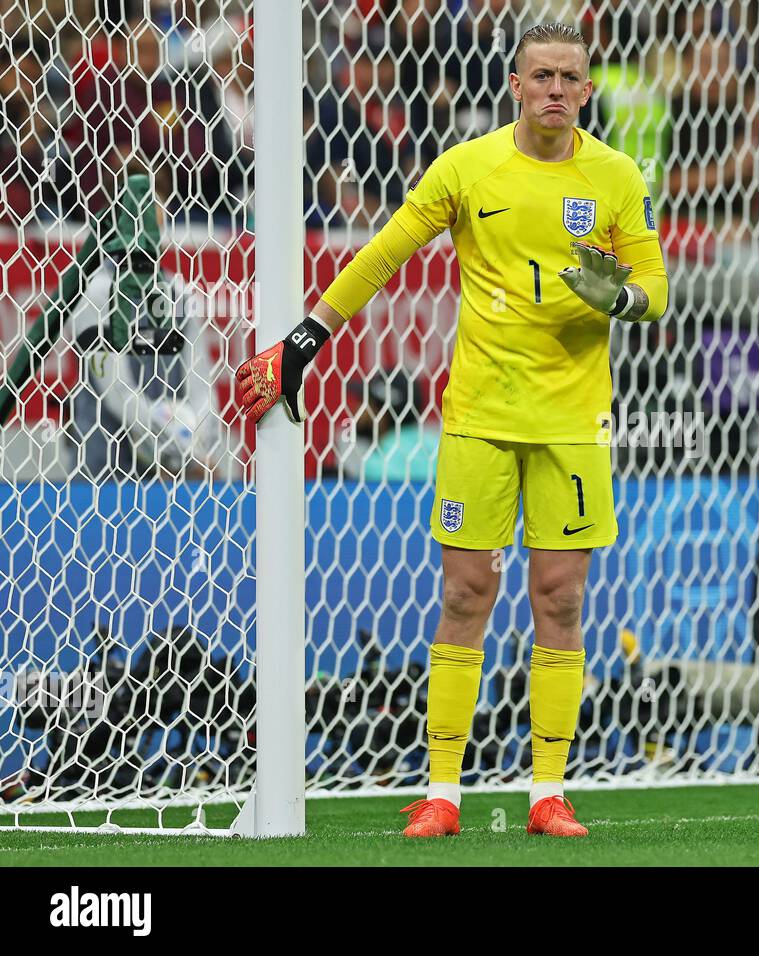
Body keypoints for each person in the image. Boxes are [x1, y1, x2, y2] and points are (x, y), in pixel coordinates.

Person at [235, 22, 668, 839]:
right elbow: (384, 253)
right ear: (515, 83)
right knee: (466, 593)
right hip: (478, 417)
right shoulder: (468, 167)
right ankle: (442, 793)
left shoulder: (616, 176)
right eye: (540, 74)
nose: (554, 89)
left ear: (585, 89)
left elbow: (656, 287)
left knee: (562, 598)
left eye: (568, 77)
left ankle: (548, 793)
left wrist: (625, 300)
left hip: (574, 421)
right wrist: (307, 337)